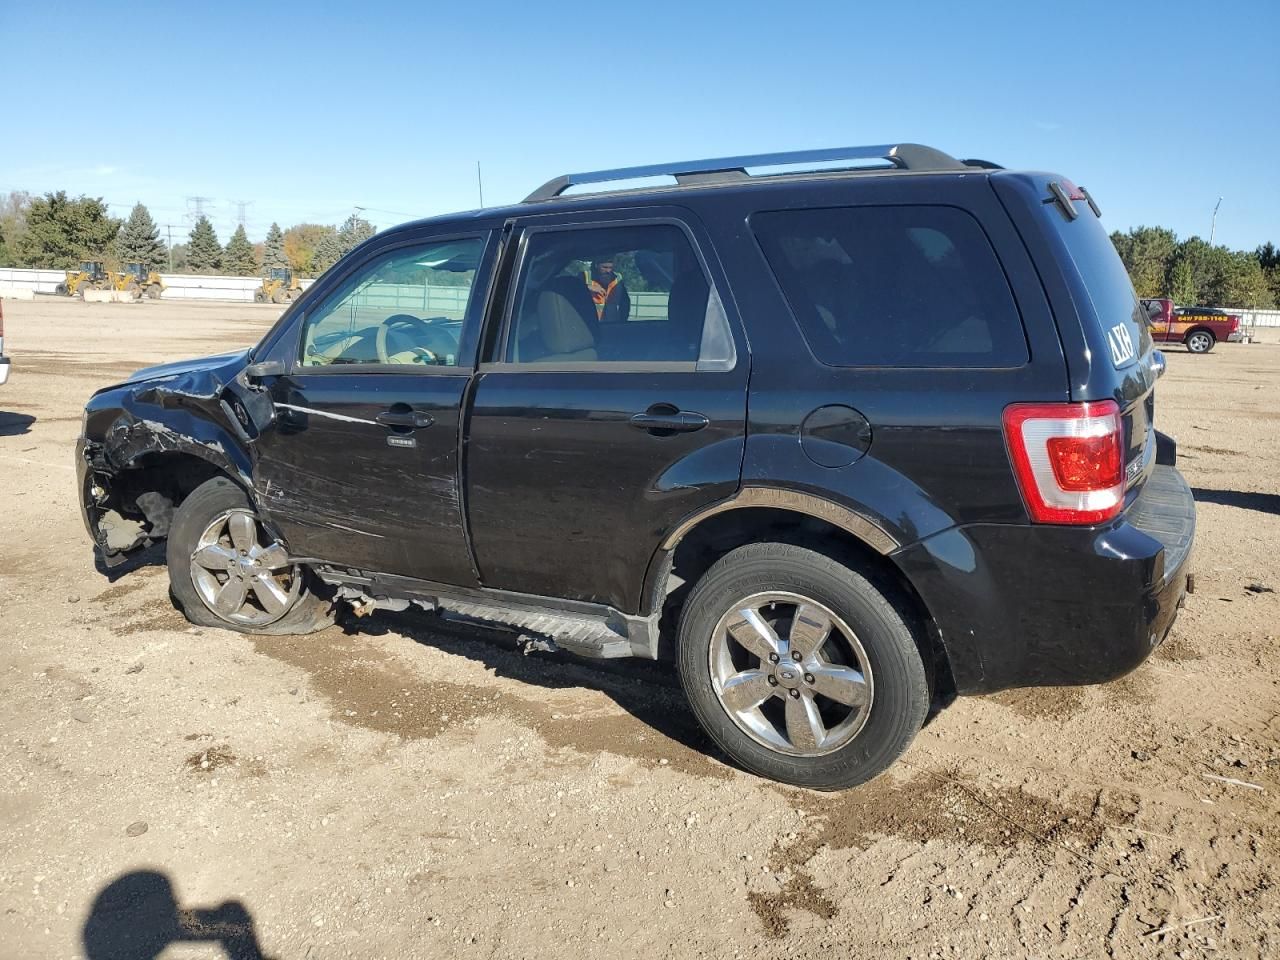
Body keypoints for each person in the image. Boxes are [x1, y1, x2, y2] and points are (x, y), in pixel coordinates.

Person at [583, 256, 630, 323]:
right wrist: (588, 287)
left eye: (610, 267)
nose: (608, 271)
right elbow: (573, 289)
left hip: (612, 324)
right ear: (596, 265)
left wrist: (623, 321)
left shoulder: (618, 279)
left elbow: (625, 302)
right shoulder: (585, 276)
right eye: (604, 267)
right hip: (591, 324)